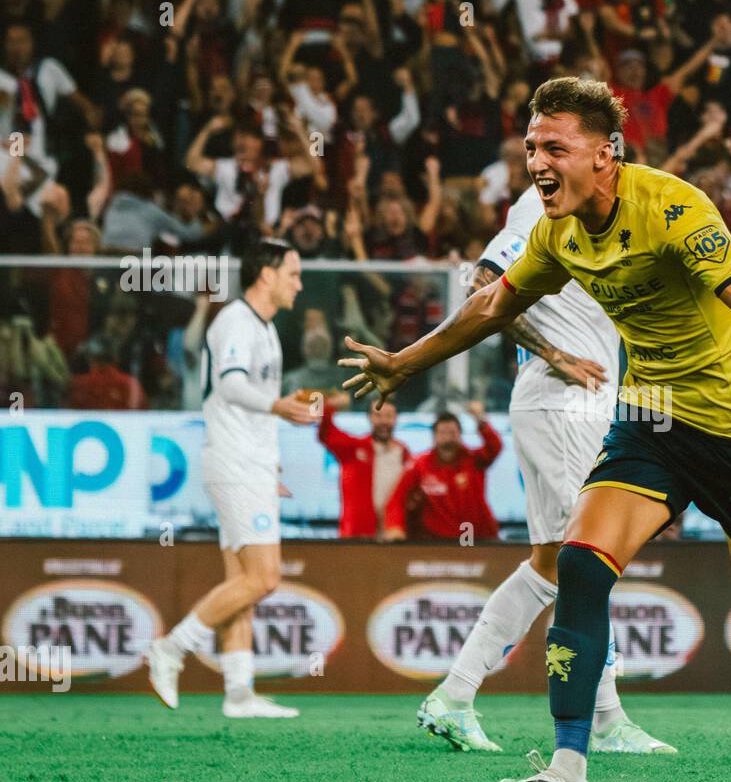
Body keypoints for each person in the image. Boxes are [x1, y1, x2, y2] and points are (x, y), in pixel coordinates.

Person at [342, 77, 731, 782]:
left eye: (554, 147)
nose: (535, 161)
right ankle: (567, 770)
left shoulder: (673, 206)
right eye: (529, 147)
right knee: (581, 564)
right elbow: (492, 305)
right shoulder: (554, 233)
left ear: (605, 155)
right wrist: (402, 363)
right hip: (651, 414)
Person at [416, 185, 674, 756]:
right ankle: (604, 721)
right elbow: (479, 284)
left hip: (567, 406)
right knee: (589, 563)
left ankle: (455, 696)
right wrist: (553, 353)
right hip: (560, 404)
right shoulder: (538, 210)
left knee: (551, 566)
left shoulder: (594, 218)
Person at [144, 239, 318, 719]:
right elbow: (230, 383)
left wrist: (271, 460)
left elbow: (245, 399)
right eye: (293, 273)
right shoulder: (236, 322)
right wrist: (279, 406)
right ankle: (171, 649)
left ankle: (239, 692)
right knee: (264, 578)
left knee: (240, 579)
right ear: (266, 274)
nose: (298, 284)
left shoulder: (263, 328)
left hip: (249, 461)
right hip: (235, 463)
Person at [396, 404, 502, 541]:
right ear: (434, 436)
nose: (448, 437)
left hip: (475, 537)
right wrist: (396, 528)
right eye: (443, 432)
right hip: (435, 541)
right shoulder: (420, 466)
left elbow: (495, 447)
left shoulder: (474, 459)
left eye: (452, 432)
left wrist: (481, 420)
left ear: (460, 435)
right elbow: (399, 498)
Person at [317, 399, 411, 540]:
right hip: (357, 535)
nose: (384, 421)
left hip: (393, 534)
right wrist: (325, 403)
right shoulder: (354, 448)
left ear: (396, 418)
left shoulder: (403, 453)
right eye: (378, 415)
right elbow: (325, 434)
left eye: (389, 416)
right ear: (369, 418)